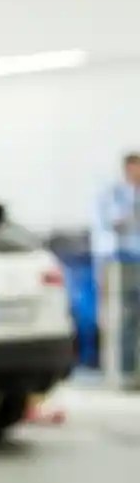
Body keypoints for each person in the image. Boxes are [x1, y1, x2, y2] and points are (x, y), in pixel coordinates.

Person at [93, 152, 140, 380]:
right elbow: (112, 222)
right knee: (127, 317)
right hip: (125, 261)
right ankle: (125, 370)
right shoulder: (115, 194)